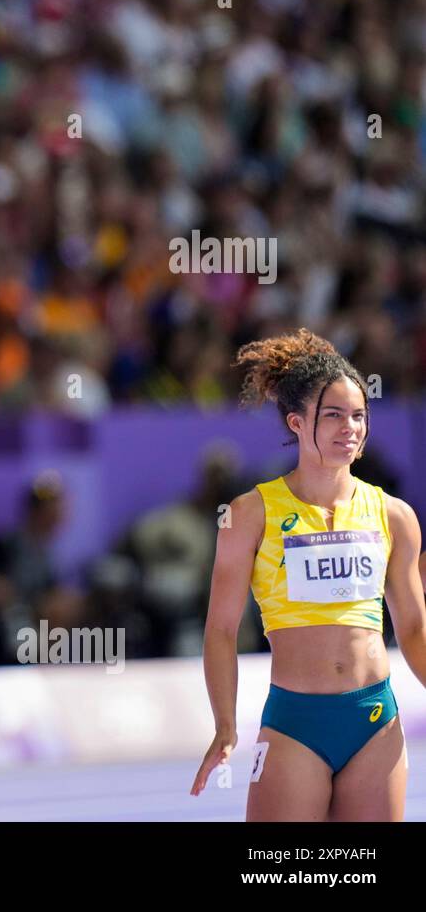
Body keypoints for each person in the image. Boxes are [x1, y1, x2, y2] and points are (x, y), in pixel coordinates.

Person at [190, 329, 426, 820]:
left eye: (359, 415)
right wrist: (226, 724)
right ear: (297, 423)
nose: (350, 428)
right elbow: (221, 630)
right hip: (295, 723)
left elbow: (415, 629)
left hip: (376, 720)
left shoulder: (394, 515)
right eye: (334, 415)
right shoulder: (249, 514)